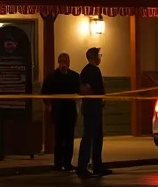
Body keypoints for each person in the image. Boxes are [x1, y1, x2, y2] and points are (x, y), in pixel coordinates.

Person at [41, 52, 81, 171]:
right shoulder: (52, 76)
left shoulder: (74, 76)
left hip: (70, 110)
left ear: (69, 63)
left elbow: (79, 91)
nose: (64, 65)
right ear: (58, 63)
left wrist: (77, 99)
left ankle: (67, 163)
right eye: (62, 62)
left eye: (66, 62)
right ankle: (58, 163)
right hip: (58, 110)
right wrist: (48, 105)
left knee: (69, 138)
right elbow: (44, 93)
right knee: (59, 137)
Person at [76, 46, 109, 177]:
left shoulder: (86, 71)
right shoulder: (92, 71)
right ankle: (83, 166)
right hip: (92, 107)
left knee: (96, 136)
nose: (101, 58)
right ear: (94, 57)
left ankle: (97, 164)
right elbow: (87, 89)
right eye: (99, 55)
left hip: (92, 106)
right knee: (90, 136)